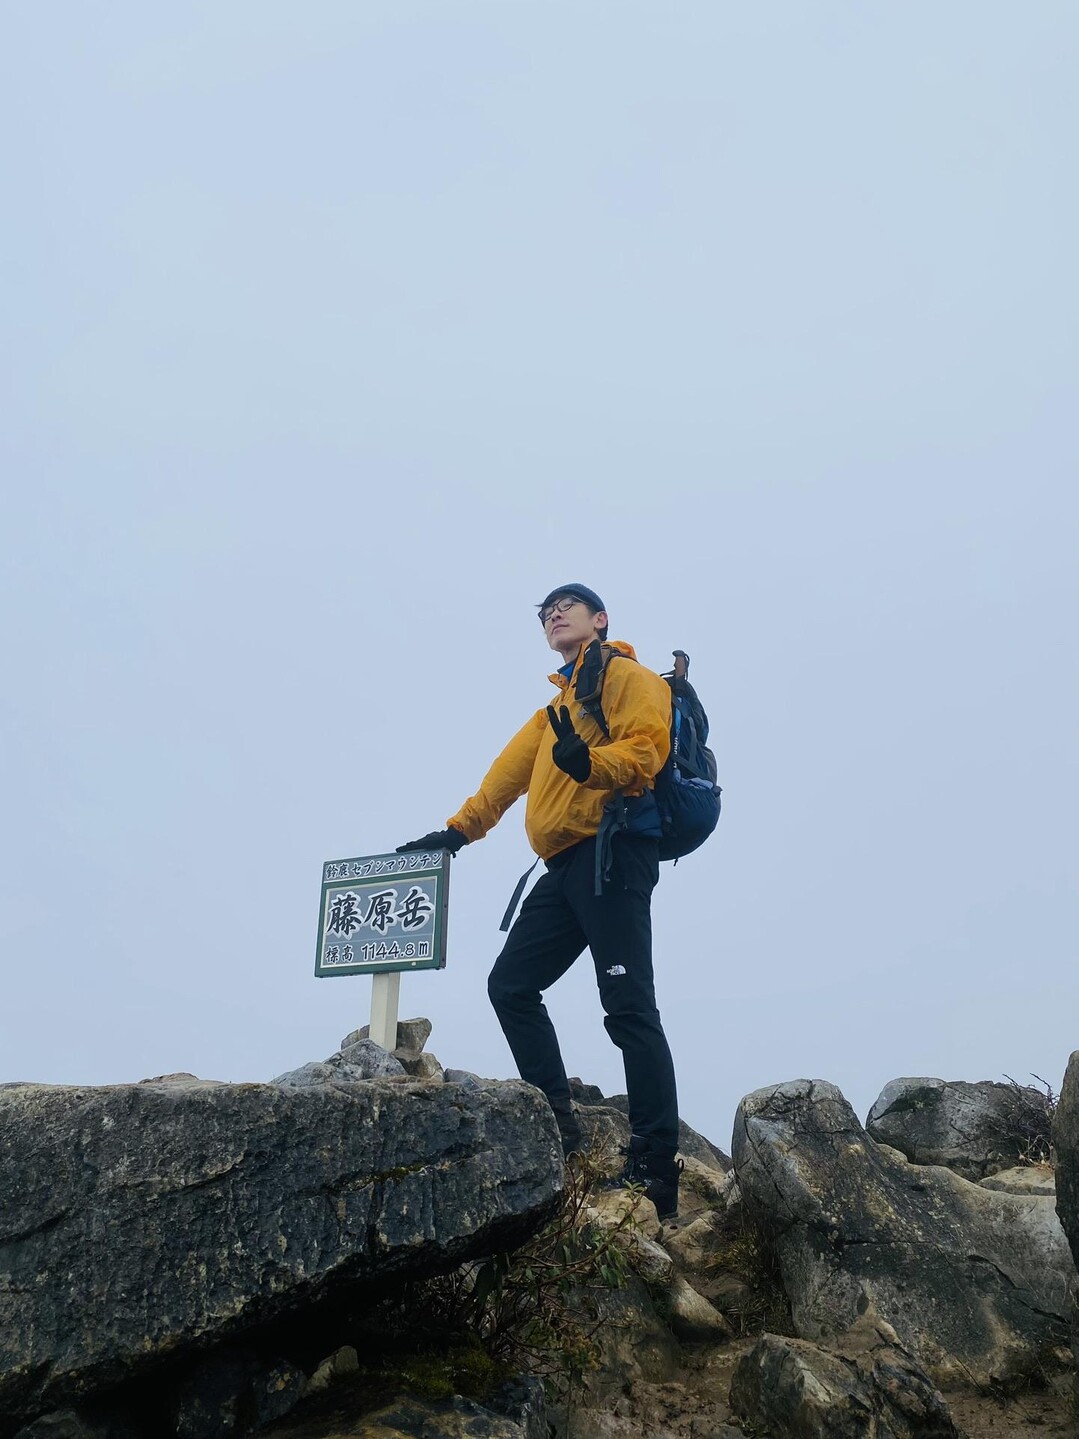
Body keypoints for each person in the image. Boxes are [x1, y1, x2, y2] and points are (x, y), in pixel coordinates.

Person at [397, 584, 683, 1218]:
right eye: (546, 611)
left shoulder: (629, 677)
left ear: (599, 620)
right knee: (511, 986)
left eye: (568, 606)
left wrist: (591, 765)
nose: (554, 613)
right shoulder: (554, 709)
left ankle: (655, 1171)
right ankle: (558, 1129)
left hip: (614, 854)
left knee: (628, 1008)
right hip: (563, 869)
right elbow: (502, 781)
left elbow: (645, 749)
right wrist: (455, 835)